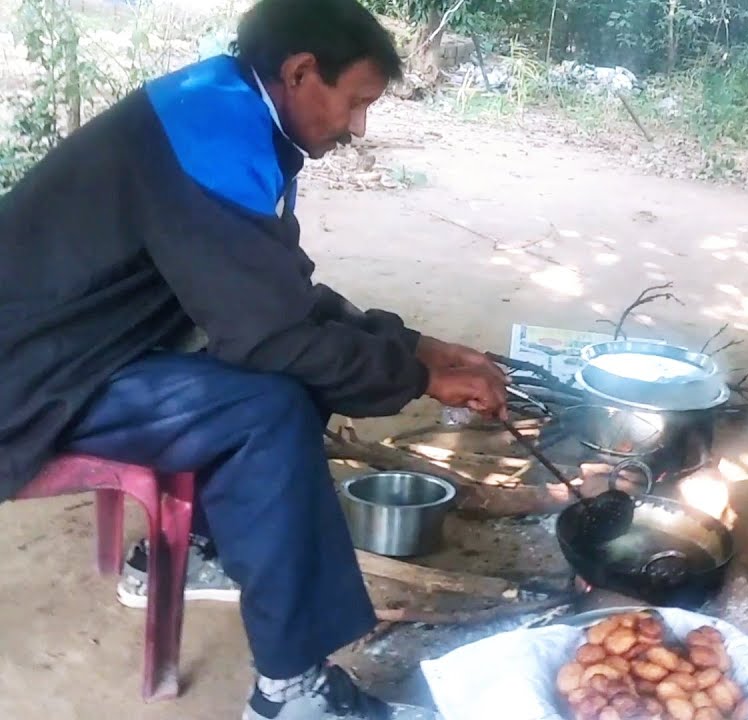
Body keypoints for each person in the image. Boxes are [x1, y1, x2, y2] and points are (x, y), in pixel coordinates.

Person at [0, 0, 508, 718]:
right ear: (301, 72)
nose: (360, 126)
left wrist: (415, 344)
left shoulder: (226, 108)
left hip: (78, 348)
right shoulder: (207, 132)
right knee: (270, 404)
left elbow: (274, 292)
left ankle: (201, 544)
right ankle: (293, 693)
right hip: (32, 379)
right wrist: (421, 378)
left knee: (293, 375)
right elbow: (270, 335)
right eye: (357, 101)